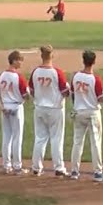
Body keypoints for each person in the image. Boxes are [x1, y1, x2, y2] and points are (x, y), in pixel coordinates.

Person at [29, 45, 69, 176]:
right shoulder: (57, 72)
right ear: (52, 55)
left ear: (42, 56)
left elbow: (32, 90)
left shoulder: (35, 72)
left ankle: (36, 167)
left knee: (40, 138)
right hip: (55, 109)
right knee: (56, 138)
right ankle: (59, 168)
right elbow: (65, 92)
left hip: (39, 108)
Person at [70, 49, 103, 181]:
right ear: (94, 62)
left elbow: (73, 94)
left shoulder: (75, 76)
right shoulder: (95, 79)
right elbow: (101, 98)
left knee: (77, 142)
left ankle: (74, 171)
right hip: (92, 113)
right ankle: (98, 172)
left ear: (83, 60)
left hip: (79, 112)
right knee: (96, 142)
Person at [0, 50, 30, 174]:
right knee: (17, 138)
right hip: (16, 108)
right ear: (14, 60)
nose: (21, 63)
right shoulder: (18, 77)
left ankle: (6, 165)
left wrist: (1, 107)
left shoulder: (1, 76)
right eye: (20, 60)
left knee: (6, 137)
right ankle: (17, 166)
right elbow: (25, 95)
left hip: (5, 108)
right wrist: (29, 95)